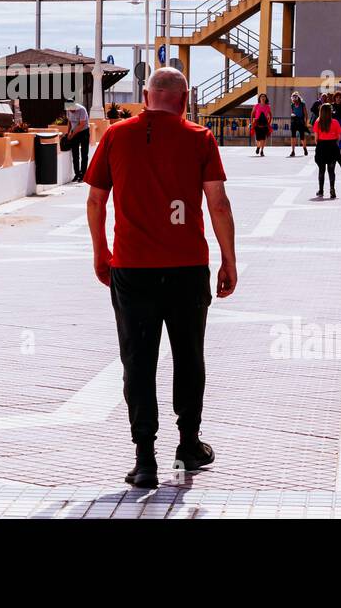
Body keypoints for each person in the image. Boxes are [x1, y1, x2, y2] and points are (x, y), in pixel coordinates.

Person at [84, 67, 238, 489]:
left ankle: (144, 458)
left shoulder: (116, 136)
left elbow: (96, 200)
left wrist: (100, 251)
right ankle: (188, 444)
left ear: (146, 97)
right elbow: (218, 204)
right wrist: (229, 260)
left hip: (132, 269)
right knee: (189, 356)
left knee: (138, 360)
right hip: (187, 268)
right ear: (185, 100)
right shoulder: (199, 138)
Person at [312, 102, 341, 199]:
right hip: (332, 147)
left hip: (321, 147)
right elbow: (339, 137)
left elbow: (316, 138)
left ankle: (321, 190)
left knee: (321, 170)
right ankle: (332, 189)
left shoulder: (317, 122)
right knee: (331, 170)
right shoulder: (335, 122)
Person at [63, 97, 91, 182]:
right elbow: (69, 122)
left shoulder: (82, 110)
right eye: (69, 109)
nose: (71, 111)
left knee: (84, 153)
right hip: (74, 132)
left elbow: (81, 124)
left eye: (72, 109)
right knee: (75, 154)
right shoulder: (68, 110)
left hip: (84, 132)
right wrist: (68, 133)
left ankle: (83, 175)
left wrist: (72, 134)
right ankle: (77, 174)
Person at [288, 92, 309, 158]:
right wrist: (292, 117)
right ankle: (293, 151)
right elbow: (292, 113)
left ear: (298, 97)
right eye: (293, 97)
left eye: (295, 97)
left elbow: (306, 114)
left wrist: (306, 123)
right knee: (293, 136)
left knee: (302, 137)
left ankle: (304, 148)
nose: (294, 99)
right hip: (294, 122)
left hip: (301, 122)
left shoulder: (302, 104)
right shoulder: (292, 105)